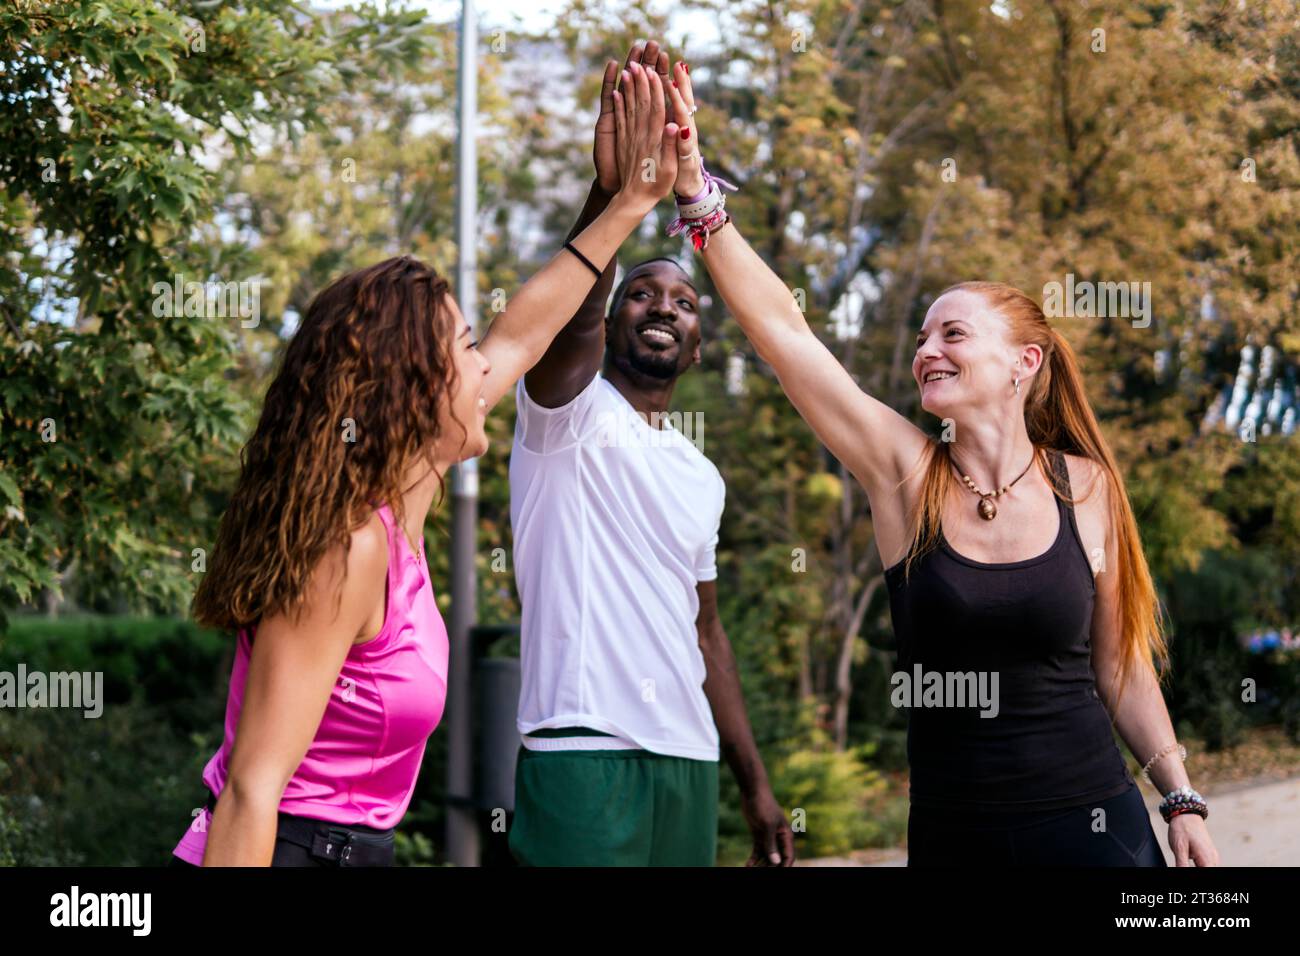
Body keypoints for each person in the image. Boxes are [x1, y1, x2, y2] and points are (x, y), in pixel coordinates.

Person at [663, 60, 1220, 867]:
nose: (927, 351)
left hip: (1096, 830)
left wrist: (1181, 797)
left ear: (1024, 361)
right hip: (959, 837)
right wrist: (697, 196)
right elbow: (786, 337)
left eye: (952, 334)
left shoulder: (1086, 484)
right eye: (923, 337)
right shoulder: (904, 473)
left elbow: (1120, 664)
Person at [167, 60, 684, 866]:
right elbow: (252, 791)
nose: (489, 367)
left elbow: (527, 332)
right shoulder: (344, 546)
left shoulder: (403, 501)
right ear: (411, 389)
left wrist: (626, 202)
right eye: (466, 350)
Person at [506, 42, 794, 867]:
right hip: (582, 749)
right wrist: (616, 194)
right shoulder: (562, 411)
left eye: (684, 301)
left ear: (699, 345)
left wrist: (755, 784)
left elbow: (708, 635)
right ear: (614, 315)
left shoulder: (702, 476)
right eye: (642, 292)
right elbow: (570, 321)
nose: (662, 306)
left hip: (689, 762)